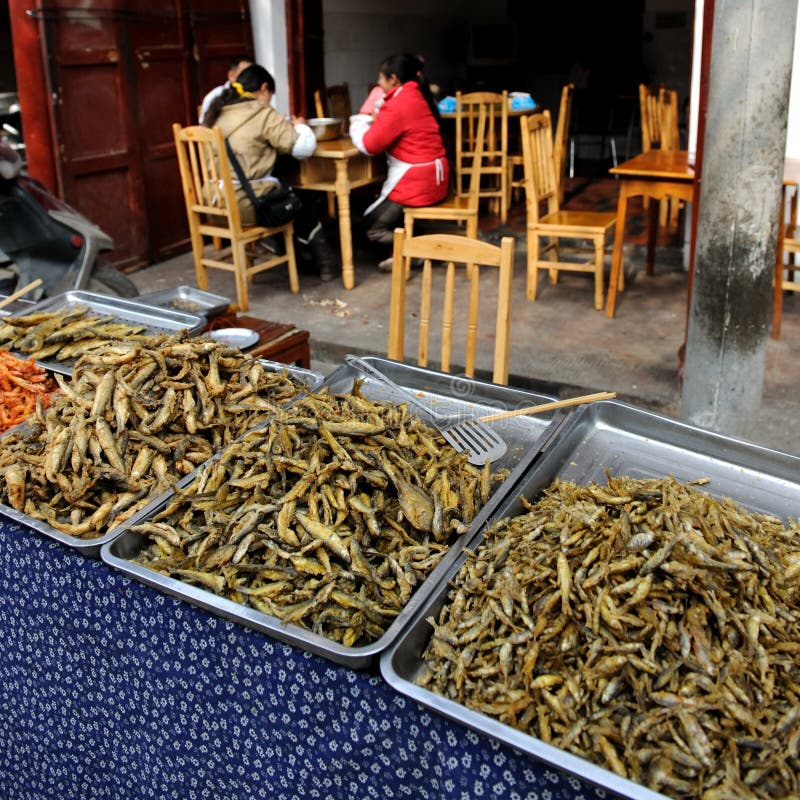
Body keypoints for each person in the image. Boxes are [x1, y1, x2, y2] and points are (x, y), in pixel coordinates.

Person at [203, 63, 339, 281]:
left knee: (282, 190)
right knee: (299, 198)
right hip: (245, 207)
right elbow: (303, 148)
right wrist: (300, 126)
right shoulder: (262, 113)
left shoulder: (216, 112)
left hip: (214, 205)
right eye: (271, 95)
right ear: (264, 89)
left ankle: (293, 253)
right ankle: (324, 261)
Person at [349, 53, 449, 271]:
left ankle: (416, 252)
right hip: (436, 179)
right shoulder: (417, 95)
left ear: (393, 79)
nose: (378, 83)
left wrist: (356, 124)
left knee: (369, 228)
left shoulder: (399, 102)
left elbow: (369, 145)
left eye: (381, 78)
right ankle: (410, 250)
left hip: (416, 182)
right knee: (379, 213)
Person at [199, 56, 253, 124]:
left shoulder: (255, 94)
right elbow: (205, 127)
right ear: (231, 75)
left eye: (252, 75)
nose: (249, 78)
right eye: (244, 74)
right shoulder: (215, 95)